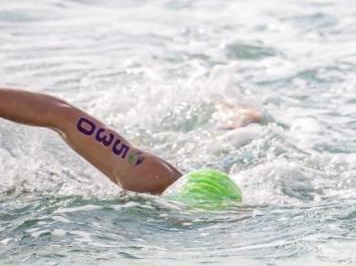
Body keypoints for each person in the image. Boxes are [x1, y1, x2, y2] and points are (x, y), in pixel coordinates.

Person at [0, 86, 243, 205]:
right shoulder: (150, 177)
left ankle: (238, 119)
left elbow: (61, 115)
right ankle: (238, 118)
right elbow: (61, 114)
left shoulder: (150, 181)